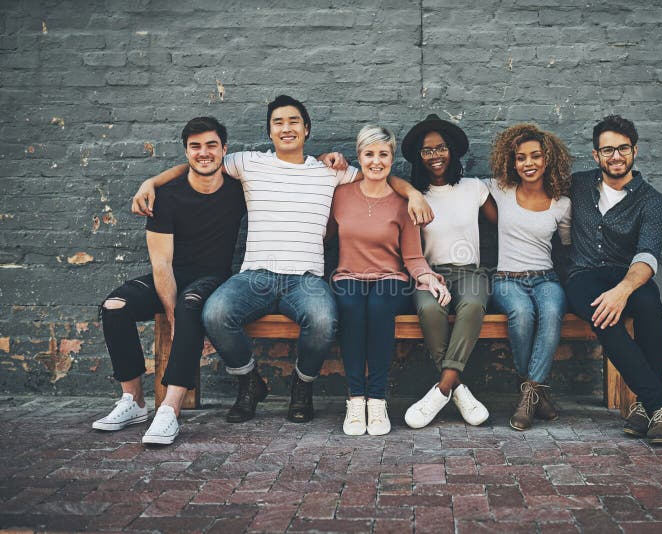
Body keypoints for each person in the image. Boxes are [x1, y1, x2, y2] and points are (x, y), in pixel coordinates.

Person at [132, 95, 432, 425]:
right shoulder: (248, 163)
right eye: (278, 123)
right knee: (215, 313)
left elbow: (380, 176)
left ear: (307, 129)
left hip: (305, 279)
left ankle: (302, 387)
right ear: (270, 132)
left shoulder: (330, 172)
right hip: (255, 275)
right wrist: (152, 181)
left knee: (323, 321)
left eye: (293, 122)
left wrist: (414, 193)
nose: (286, 128)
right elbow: (201, 162)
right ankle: (249, 383)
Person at [94, 117, 246, 445]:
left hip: (213, 278)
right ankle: (133, 401)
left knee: (190, 307)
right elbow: (161, 263)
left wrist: (181, 317)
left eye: (211, 145)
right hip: (173, 274)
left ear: (225, 150)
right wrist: (172, 317)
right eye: (195, 147)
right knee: (114, 306)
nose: (203, 153)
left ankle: (169, 409)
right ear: (186, 151)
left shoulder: (239, 189)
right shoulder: (167, 196)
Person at [328, 125, 450, 436]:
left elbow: (411, 255)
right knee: (352, 307)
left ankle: (378, 399)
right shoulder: (339, 196)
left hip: (390, 278)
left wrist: (429, 278)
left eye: (383, 154)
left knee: (380, 306)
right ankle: (356, 400)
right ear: (359, 157)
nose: (376, 161)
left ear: (392, 159)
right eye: (369, 154)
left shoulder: (402, 202)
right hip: (348, 275)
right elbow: (323, 234)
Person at [564, 115, 662, 445]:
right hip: (582, 275)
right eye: (608, 149)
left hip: (625, 274)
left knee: (649, 304)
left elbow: (647, 256)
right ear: (596, 154)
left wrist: (623, 290)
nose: (616, 156)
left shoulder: (652, 200)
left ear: (635, 150)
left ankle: (645, 407)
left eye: (623, 149)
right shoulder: (578, 184)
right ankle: (660, 406)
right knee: (604, 314)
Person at [398, 114, 497, 429]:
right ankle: (458, 389)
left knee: (473, 305)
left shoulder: (473, 187)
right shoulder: (413, 194)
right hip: (429, 273)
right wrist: (412, 193)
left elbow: (505, 220)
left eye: (440, 148)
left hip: (470, 272)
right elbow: (384, 178)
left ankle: (441, 389)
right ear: (419, 157)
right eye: (427, 151)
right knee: (430, 309)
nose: (434, 156)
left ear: (451, 150)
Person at [486, 123, 573, 431]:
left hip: (546, 279)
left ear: (547, 159)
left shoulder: (562, 203)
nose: (528, 164)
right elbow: (460, 189)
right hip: (507, 279)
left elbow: (567, 245)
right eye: (521, 158)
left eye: (535, 156)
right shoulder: (501, 189)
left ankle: (529, 393)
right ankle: (536, 395)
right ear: (512, 162)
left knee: (551, 312)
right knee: (521, 314)